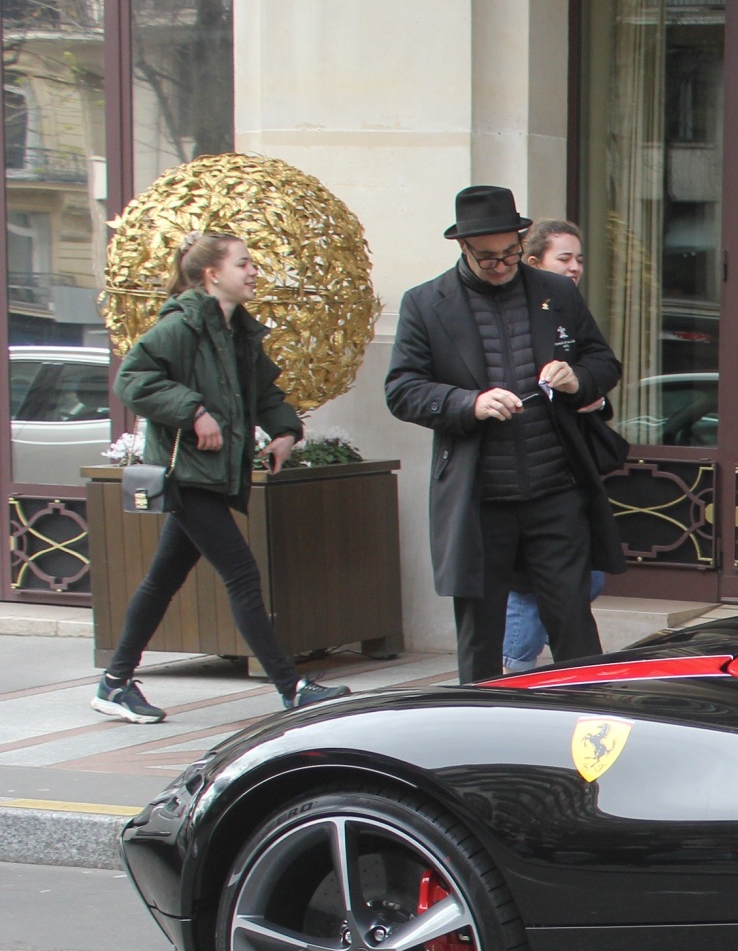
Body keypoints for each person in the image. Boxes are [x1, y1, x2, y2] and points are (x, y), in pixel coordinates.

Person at [95, 232, 351, 722]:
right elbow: (132, 380)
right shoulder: (183, 324)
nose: (254, 271)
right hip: (187, 474)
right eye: (244, 263)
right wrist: (193, 411)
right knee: (241, 574)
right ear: (213, 274)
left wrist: (284, 432)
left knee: (162, 579)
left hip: (211, 475)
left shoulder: (237, 331)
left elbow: (265, 392)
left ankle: (114, 682)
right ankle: (291, 687)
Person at [387, 186, 626, 684]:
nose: (502, 265)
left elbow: (603, 361)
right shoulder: (425, 304)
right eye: (488, 257)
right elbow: (402, 389)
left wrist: (577, 377)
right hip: (480, 498)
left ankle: (589, 719)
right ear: (463, 247)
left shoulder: (555, 292)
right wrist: (467, 404)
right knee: (480, 631)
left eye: (511, 253)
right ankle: (478, 727)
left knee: (573, 623)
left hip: (555, 488)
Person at [499, 218, 609, 674]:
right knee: (532, 588)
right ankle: (514, 665)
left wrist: (585, 386)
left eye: (579, 258)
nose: (575, 267)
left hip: (571, 468)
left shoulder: (567, 307)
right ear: (533, 262)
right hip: (522, 473)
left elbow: (600, 366)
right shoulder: (518, 312)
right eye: (564, 258)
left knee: (588, 578)